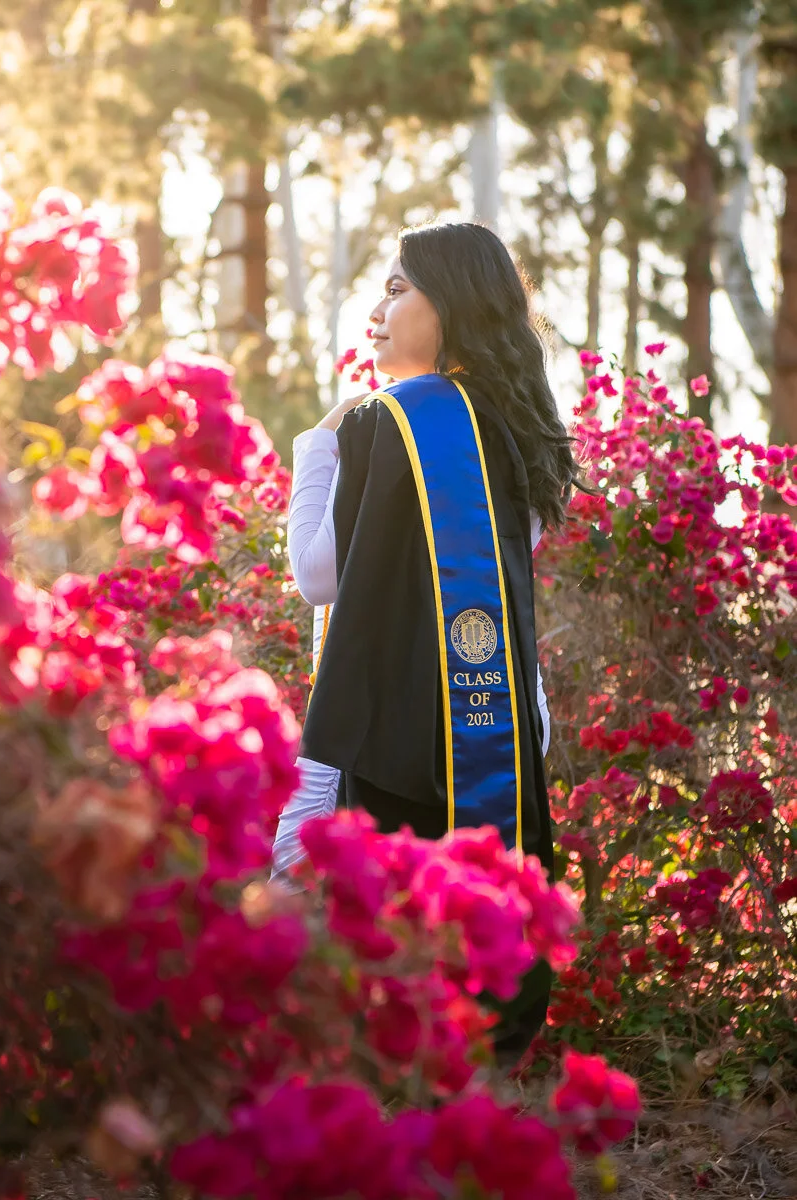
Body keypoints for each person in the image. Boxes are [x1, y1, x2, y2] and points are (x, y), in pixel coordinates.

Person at [272, 221, 578, 1067]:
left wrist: (317, 444)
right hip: (500, 731)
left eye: (399, 289)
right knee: (461, 999)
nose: (376, 311)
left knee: (356, 982)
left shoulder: (388, 422)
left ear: (454, 308)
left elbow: (316, 574)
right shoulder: (514, 431)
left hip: (389, 749)